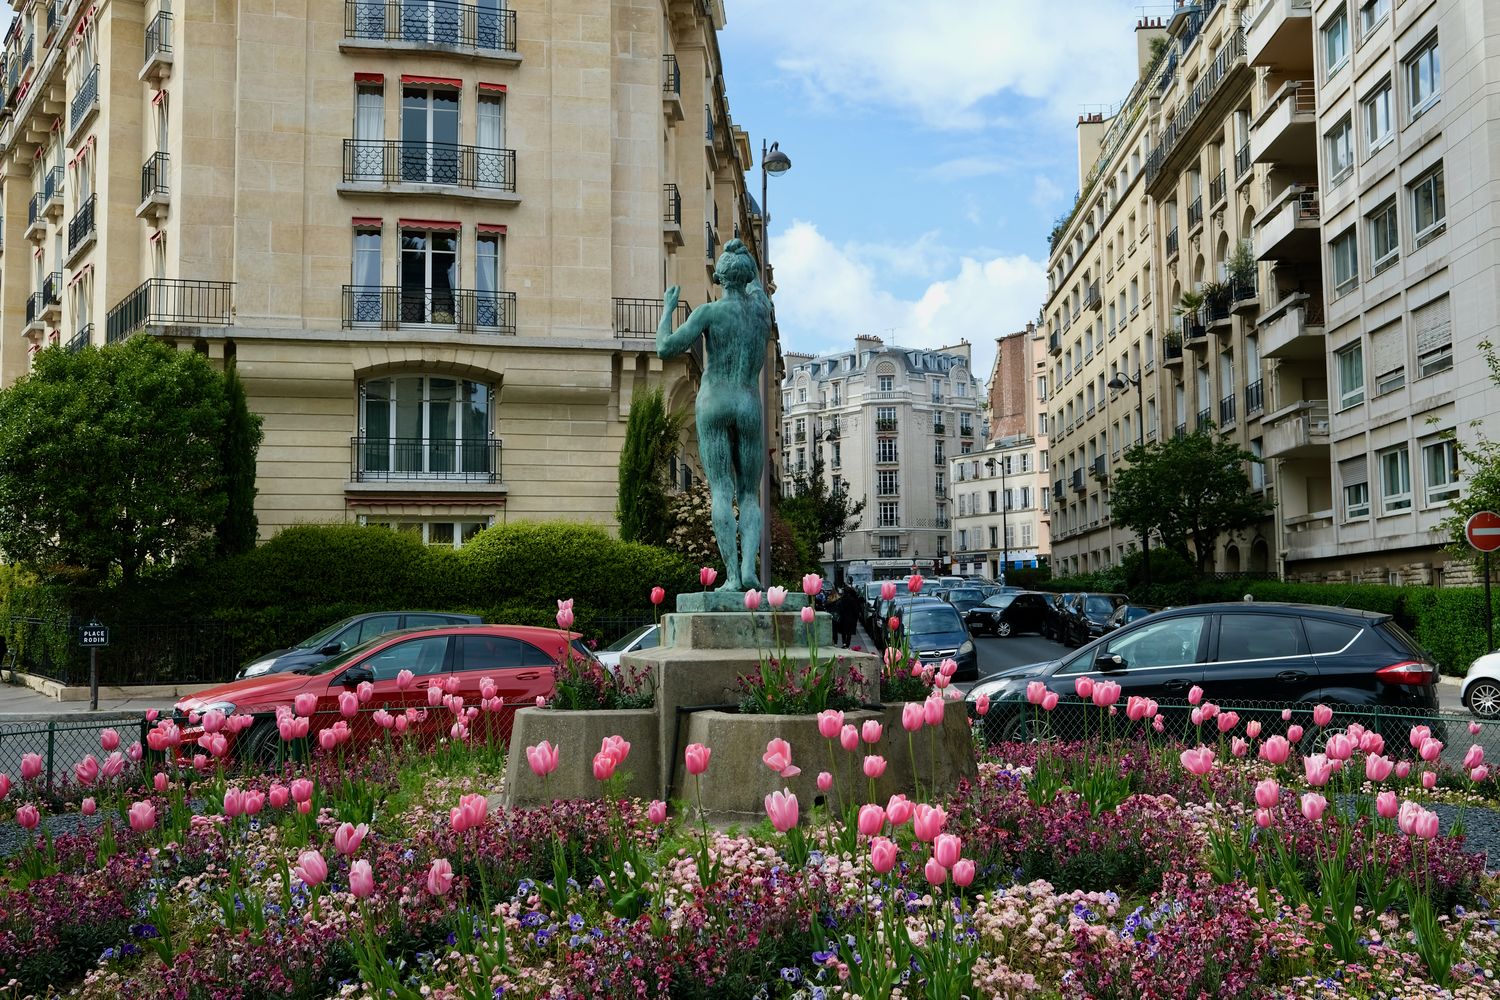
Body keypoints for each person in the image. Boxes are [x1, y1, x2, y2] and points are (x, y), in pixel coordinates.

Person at [656, 239, 771, 591]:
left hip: (714, 402)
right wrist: (748, 261)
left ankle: (733, 578)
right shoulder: (761, 314)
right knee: (749, 494)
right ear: (749, 275)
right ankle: (751, 571)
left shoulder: (709, 313)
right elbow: (758, 289)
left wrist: (668, 308)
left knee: (721, 491)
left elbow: (665, 347)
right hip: (748, 403)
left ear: (720, 277)